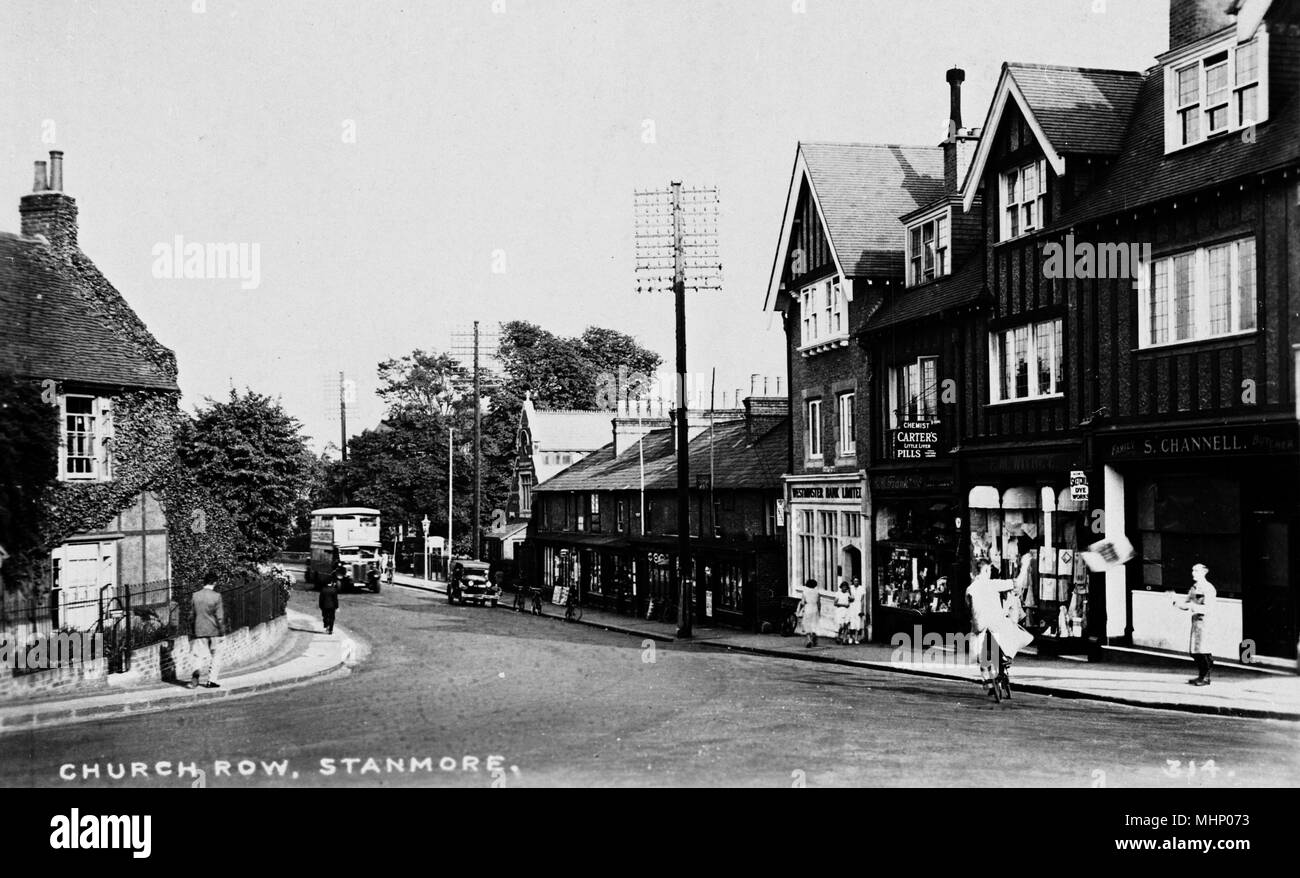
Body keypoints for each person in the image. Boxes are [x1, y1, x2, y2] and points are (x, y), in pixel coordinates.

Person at [966, 560, 1032, 701]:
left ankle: (988, 682)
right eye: (988, 571)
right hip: (998, 625)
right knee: (1011, 638)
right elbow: (1015, 583)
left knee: (979, 654)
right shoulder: (992, 584)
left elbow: (969, 609)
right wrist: (1025, 566)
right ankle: (1006, 660)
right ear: (985, 571)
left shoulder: (970, 589)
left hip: (980, 628)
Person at [1173, 563, 1217, 686]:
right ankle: (1201, 676)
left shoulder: (1208, 588)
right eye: (1193, 570)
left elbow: (1208, 608)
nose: (1193, 573)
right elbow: (1186, 604)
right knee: (1195, 651)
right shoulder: (1194, 587)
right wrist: (1175, 601)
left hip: (1206, 622)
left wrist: (1192, 606)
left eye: (1196, 571)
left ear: (1204, 572)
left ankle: (1206, 677)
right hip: (1196, 623)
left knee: (1203, 651)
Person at [189, 573, 225, 689]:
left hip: (199, 629)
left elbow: (191, 615)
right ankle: (211, 681)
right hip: (214, 630)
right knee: (216, 655)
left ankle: (196, 674)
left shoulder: (195, 595)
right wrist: (222, 631)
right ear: (215, 582)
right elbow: (219, 616)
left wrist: (192, 630)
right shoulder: (217, 596)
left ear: (204, 582)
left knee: (197, 655)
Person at [796, 578, 822, 648]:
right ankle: (813, 639)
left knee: (807, 624)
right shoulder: (817, 592)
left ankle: (809, 640)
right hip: (815, 608)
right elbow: (819, 603)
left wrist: (799, 610)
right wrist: (819, 611)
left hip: (808, 607)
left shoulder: (805, 591)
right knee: (814, 624)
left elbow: (802, 602)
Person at [319, 568, 341, 634]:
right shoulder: (334, 590)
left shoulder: (323, 590)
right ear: (331, 583)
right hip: (332, 606)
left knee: (325, 616)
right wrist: (337, 607)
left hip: (324, 606)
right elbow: (335, 600)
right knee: (332, 618)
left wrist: (321, 606)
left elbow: (321, 599)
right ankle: (331, 629)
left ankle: (326, 625)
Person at [848, 577, 866, 645]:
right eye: (855, 581)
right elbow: (848, 597)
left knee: (857, 622)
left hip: (858, 605)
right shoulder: (850, 588)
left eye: (857, 581)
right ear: (853, 582)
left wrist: (862, 609)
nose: (856, 582)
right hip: (852, 605)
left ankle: (856, 638)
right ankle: (850, 637)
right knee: (851, 621)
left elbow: (862, 600)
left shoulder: (861, 588)